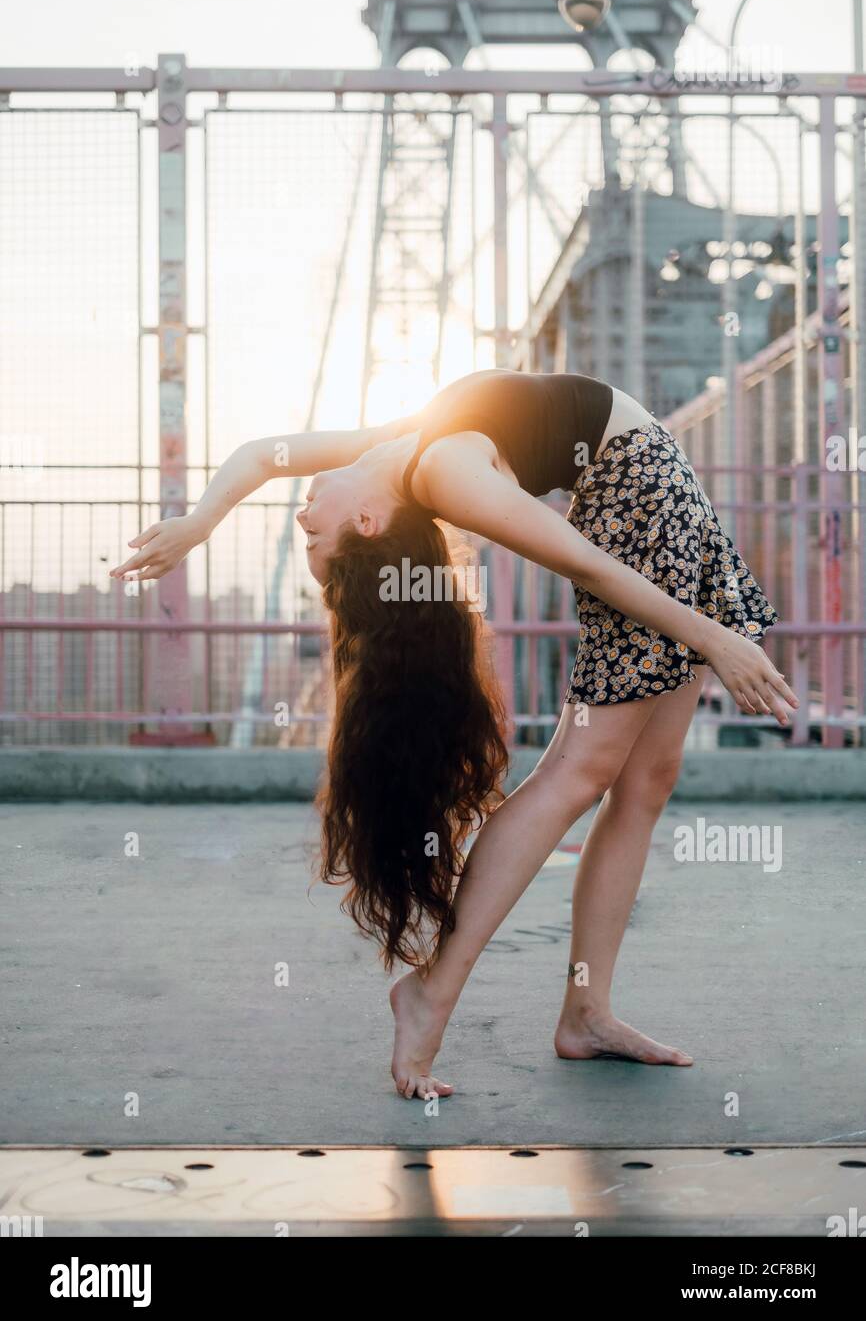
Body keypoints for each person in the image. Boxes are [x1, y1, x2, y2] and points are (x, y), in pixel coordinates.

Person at [110, 370, 795, 1099]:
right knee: (580, 771)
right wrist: (715, 640)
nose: (303, 516)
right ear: (370, 524)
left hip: (664, 510)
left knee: (645, 783)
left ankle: (586, 1014)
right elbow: (583, 559)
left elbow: (260, 455)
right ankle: (431, 994)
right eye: (315, 535)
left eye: (307, 531)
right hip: (640, 528)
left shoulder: (397, 445)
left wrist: (198, 524)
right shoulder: (441, 471)